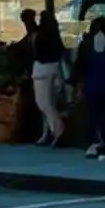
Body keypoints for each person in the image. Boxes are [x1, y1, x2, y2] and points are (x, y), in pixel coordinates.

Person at [78, 17, 105, 161]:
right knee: (104, 117)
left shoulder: (87, 44)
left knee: (94, 116)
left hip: (93, 85)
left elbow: (81, 66)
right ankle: (104, 145)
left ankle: (94, 143)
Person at [31, 11, 67, 146]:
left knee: (43, 104)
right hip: (55, 69)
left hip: (41, 71)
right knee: (51, 103)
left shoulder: (39, 36)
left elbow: (36, 53)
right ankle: (47, 134)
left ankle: (57, 128)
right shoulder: (55, 35)